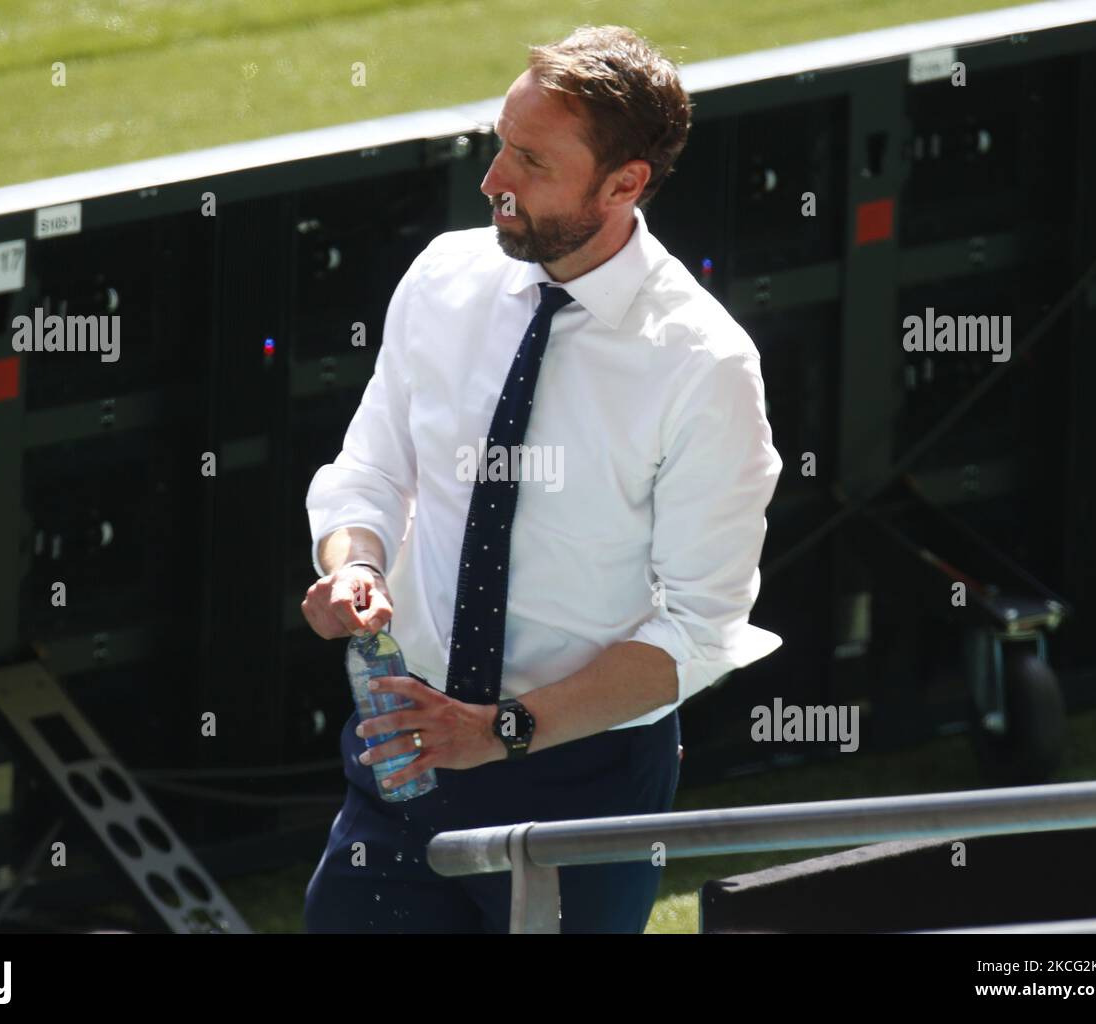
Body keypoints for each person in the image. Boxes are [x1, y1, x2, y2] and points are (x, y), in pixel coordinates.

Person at [301, 24, 783, 934]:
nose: (493, 180)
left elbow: (697, 628)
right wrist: (354, 562)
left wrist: (499, 731)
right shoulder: (444, 275)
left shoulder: (704, 363)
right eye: (498, 143)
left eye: (530, 160)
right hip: (402, 751)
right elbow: (367, 471)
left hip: (580, 784)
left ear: (624, 184)